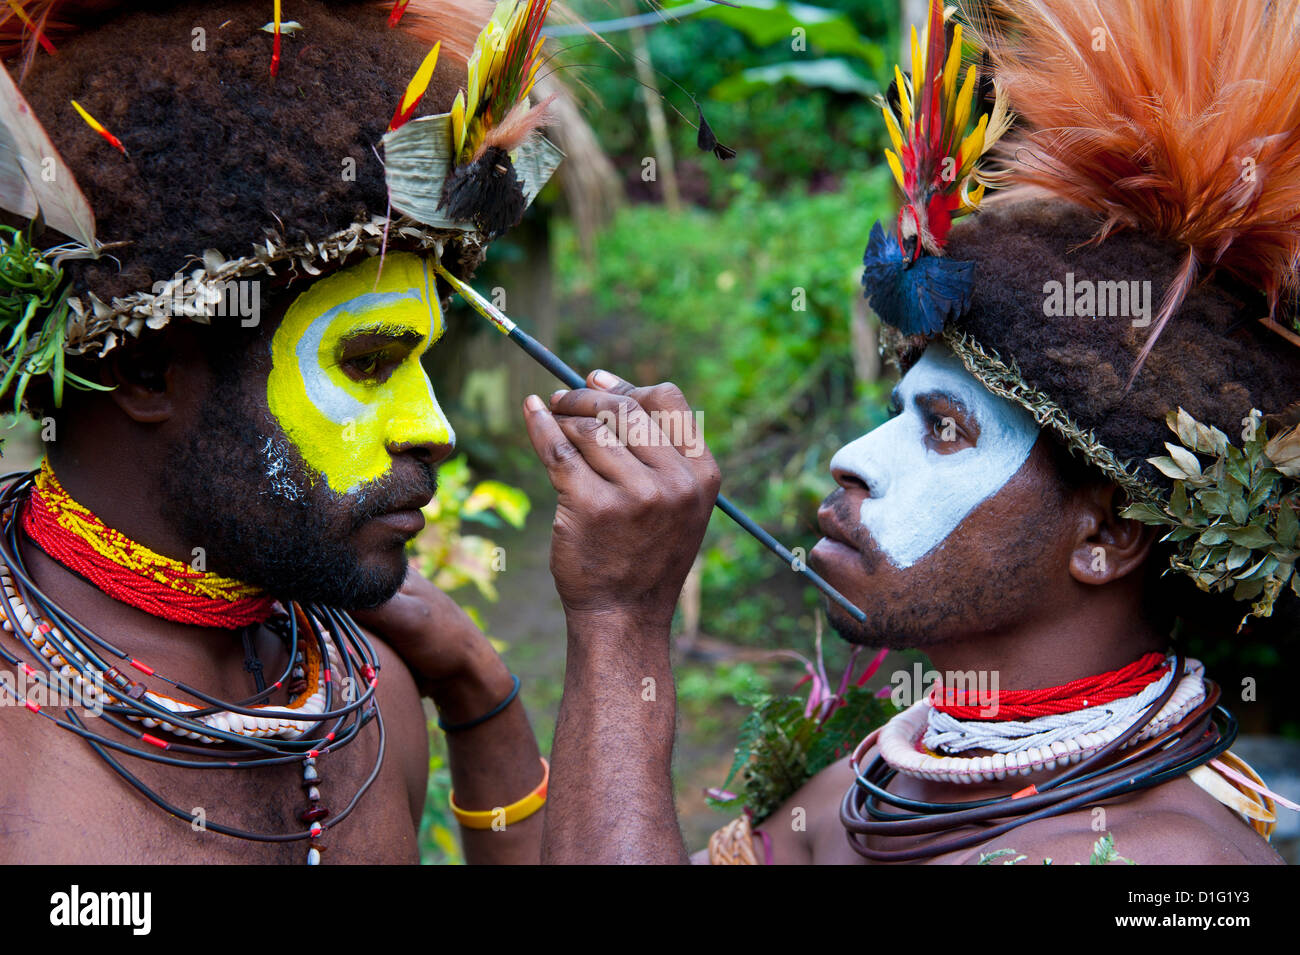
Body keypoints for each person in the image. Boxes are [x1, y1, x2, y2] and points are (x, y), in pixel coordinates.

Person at [526, 0, 1299, 864]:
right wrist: (479, 704)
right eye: (900, 412)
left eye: (943, 428)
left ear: (1108, 533)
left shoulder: (1176, 869)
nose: (850, 458)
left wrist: (622, 620)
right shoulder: (861, 790)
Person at [0, 0, 561, 864]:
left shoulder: (365, 694)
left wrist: (485, 691)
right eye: (368, 361)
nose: (434, 429)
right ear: (146, 371)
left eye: (422, 368)